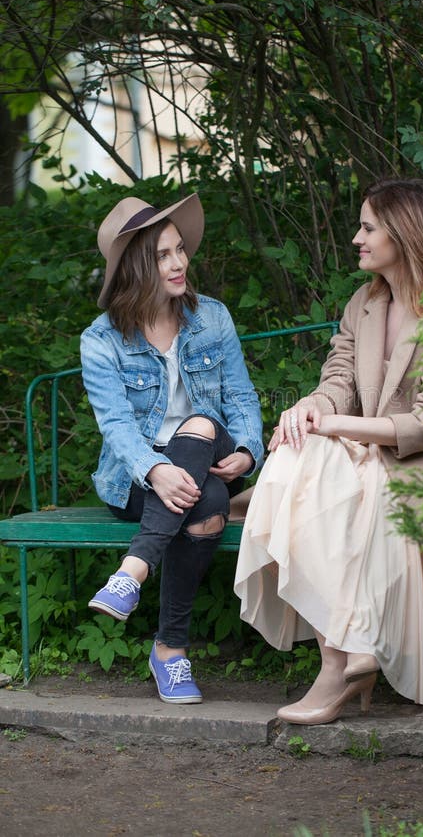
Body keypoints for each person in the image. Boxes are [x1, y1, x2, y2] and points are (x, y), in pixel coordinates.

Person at [234, 177, 423, 724]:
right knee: (296, 448)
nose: (356, 238)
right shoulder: (366, 302)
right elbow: (338, 377)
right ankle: (345, 653)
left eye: (368, 227)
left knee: (346, 478)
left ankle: (340, 666)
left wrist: (337, 425)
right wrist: (311, 407)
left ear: (404, 234)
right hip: (374, 459)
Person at [81, 193, 263, 704]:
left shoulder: (213, 318)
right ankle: (170, 653)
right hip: (138, 478)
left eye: (179, 249)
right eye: (163, 255)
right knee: (206, 510)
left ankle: (131, 571)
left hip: (215, 452)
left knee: (203, 421)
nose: (180, 262)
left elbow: (242, 398)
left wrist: (249, 451)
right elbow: (116, 425)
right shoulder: (101, 340)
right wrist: (155, 469)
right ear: (137, 265)